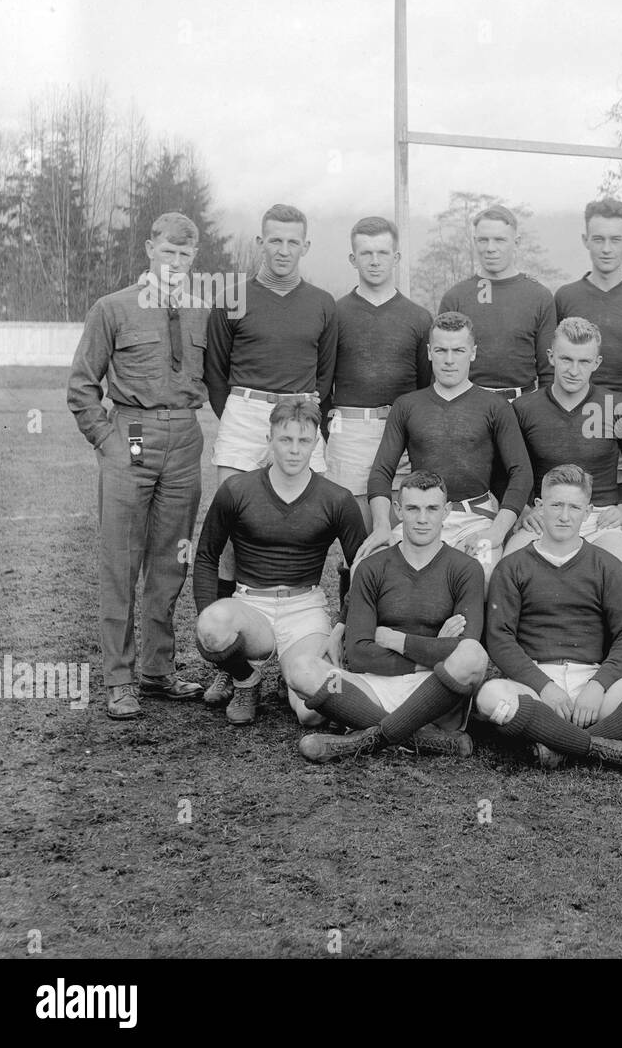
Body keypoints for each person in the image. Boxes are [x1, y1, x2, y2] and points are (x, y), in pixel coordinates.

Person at [68, 211, 211, 719]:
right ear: (149, 248)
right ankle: (120, 679)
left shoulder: (202, 312)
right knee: (120, 560)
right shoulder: (113, 307)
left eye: (185, 253)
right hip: (130, 432)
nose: (175, 262)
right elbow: (82, 386)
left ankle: (157, 671)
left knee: (172, 558)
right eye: (167, 251)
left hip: (185, 437)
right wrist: (106, 440)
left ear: (196, 257)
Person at [477, 465, 622, 772]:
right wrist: (544, 687)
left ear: (588, 511)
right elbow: (500, 639)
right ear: (539, 506)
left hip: (595, 685)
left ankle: (558, 746)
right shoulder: (512, 566)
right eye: (556, 505)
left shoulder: (607, 566)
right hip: (536, 685)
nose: (564, 516)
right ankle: (599, 747)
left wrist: (598, 685)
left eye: (574, 507)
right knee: (490, 697)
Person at [192, 400, 367, 726]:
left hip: (304, 610)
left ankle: (293, 675)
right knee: (212, 628)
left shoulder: (337, 499)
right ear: (269, 438)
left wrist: (342, 624)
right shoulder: (236, 490)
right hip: (251, 607)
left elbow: (365, 571)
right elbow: (206, 555)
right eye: (285, 439)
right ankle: (246, 680)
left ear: (316, 443)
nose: (294, 450)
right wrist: (207, 611)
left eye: (303, 441)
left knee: (314, 713)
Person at [295, 470, 488, 763]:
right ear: (398, 511)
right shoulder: (371, 568)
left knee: (473, 655)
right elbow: (358, 654)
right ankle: (420, 739)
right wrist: (431, 648)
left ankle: (363, 739)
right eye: (413, 508)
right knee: (302, 669)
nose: (422, 518)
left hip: (433, 690)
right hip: (373, 686)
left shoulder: (466, 569)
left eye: (432, 508)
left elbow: (465, 647)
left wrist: (396, 639)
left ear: (446, 512)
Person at [205, 203, 337, 597]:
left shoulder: (322, 302)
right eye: (275, 240)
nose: (283, 249)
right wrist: (241, 412)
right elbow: (215, 373)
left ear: (305, 246)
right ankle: (224, 630)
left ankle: (295, 609)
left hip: (299, 415)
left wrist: (308, 414)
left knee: (302, 520)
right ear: (261, 242)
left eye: (292, 242)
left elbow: (325, 376)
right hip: (245, 411)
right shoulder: (233, 297)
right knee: (232, 522)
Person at [357, 311, 531, 584]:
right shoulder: (407, 406)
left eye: (458, 350)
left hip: (476, 520)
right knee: (366, 569)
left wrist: (496, 532)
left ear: (472, 352)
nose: (449, 360)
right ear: (429, 352)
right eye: (441, 350)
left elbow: (521, 472)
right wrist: (381, 526)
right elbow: (381, 471)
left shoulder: (495, 407)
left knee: (483, 577)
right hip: (420, 517)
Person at [504, 317, 622, 583]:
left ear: (596, 363)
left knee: (620, 578)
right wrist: (525, 510)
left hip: (601, 516)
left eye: (584, 361)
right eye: (566, 359)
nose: (574, 370)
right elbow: (507, 470)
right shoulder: (523, 409)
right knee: (507, 573)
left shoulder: (617, 407)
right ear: (551, 357)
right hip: (545, 514)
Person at [324, 216, 432, 525]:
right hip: (351, 432)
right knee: (356, 530)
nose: (374, 261)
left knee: (399, 529)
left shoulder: (419, 318)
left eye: (383, 253)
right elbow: (323, 382)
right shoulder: (335, 313)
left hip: (400, 432)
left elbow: (425, 386)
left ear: (396, 258)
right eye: (366, 253)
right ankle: (352, 574)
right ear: (352, 258)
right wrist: (333, 430)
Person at [438, 204, 555, 398]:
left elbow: (549, 371)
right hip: (469, 404)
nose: (490, 248)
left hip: (523, 405)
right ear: (475, 242)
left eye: (499, 240)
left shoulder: (539, 296)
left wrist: (542, 413)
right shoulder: (456, 297)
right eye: (483, 240)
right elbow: (441, 366)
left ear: (516, 242)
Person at [553, 197, 622, 399]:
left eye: (615, 239)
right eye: (599, 239)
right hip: (574, 409)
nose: (607, 249)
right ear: (586, 240)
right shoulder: (565, 297)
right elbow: (552, 363)